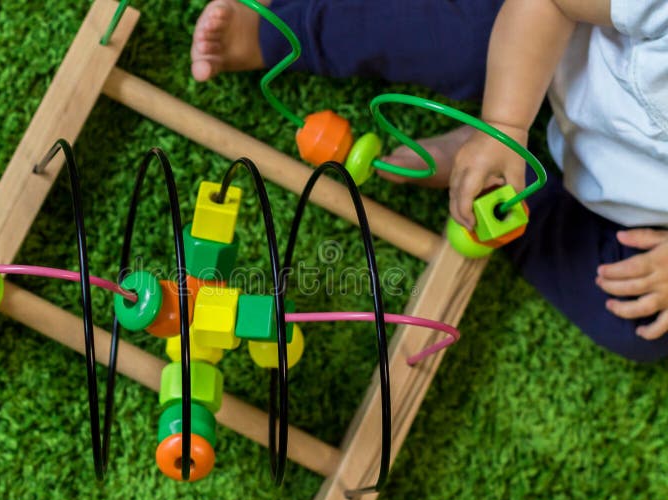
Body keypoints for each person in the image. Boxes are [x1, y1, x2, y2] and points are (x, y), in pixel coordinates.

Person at [189, 0, 668, 362]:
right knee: (461, 37)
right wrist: (505, 124)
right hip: (549, 46)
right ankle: (288, 33)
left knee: (643, 321)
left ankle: (504, 194)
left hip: (625, 194)